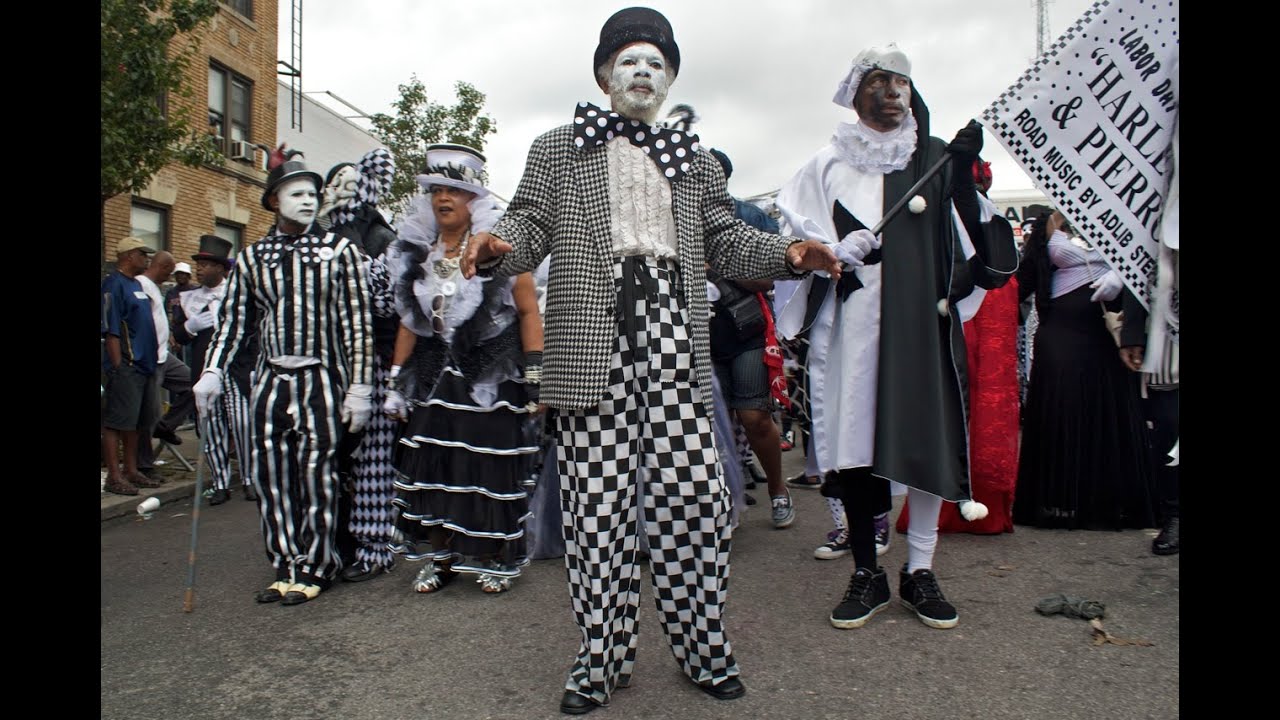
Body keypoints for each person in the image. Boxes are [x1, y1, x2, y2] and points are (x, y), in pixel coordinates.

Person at [460, 8, 840, 713]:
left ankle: (704, 649)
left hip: (673, 332)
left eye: (657, 64)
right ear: (604, 75)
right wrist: (497, 243)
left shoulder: (691, 159)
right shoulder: (558, 146)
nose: (643, 72)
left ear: (670, 81)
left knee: (695, 497)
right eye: (630, 61)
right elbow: (531, 218)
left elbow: (725, 240)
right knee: (595, 511)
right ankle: (599, 663)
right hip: (591, 336)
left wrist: (787, 255)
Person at [773, 43, 1017, 632]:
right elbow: (793, 242)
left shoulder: (934, 157)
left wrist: (960, 181)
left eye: (901, 83)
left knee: (923, 442)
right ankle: (867, 572)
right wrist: (828, 252)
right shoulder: (824, 165)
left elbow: (982, 251)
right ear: (854, 91)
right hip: (851, 330)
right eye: (878, 81)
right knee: (854, 449)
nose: (891, 92)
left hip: (919, 329)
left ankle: (921, 570)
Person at [193, 151, 374, 606]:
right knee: (271, 475)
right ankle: (285, 564)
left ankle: (318, 564)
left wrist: (359, 387)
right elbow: (233, 323)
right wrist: (213, 370)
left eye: (313, 193)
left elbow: (357, 323)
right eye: (297, 193)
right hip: (270, 381)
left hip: (321, 379)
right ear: (274, 201)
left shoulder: (340, 251)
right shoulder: (253, 258)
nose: (309, 201)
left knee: (318, 475)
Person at [378, 143, 544, 595]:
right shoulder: (417, 253)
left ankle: (498, 556)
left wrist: (534, 377)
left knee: (487, 467)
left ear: (474, 200)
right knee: (435, 465)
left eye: (455, 189)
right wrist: (396, 380)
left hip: (490, 369)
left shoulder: (501, 249)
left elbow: (529, 313)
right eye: (436, 190)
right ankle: (440, 555)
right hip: (433, 373)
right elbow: (411, 321)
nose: (443, 198)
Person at [896, 157, 1021, 535]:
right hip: (960, 310)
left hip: (978, 311)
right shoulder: (968, 219)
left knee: (969, 402)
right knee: (960, 400)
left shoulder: (980, 220)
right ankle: (954, 502)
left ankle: (964, 501)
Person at [1013, 210, 1155, 530]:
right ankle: (1057, 503)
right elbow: (1024, 279)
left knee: (1104, 410)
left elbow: (1147, 261)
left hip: (1105, 329)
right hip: (1059, 328)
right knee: (1061, 408)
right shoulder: (1050, 219)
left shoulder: (1122, 217)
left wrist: (1122, 274)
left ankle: (1107, 503)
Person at [321, 148, 401, 583]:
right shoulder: (321, 239)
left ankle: (376, 545)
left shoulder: (379, 241)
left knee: (373, 461)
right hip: (329, 369)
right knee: (332, 458)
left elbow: (390, 305)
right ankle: (331, 541)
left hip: (375, 367)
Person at [705, 147, 793, 529]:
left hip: (746, 333)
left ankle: (778, 491)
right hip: (695, 336)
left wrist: (717, 266)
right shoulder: (676, 218)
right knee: (711, 423)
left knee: (754, 417)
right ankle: (725, 499)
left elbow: (769, 278)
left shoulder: (749, 217)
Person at [173, 235, 258, 505]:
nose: (200, 269)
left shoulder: (237, 295)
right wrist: (190, 326)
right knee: (212, 428)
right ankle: (220, 483)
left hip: (235, 372)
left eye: (206, 265)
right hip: (203, 372)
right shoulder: (189, 299)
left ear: (221, 268)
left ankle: (248, 479)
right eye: (198, 264)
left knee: (243, 425)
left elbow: (251, 333)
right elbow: (179, 336)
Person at [101, 237, 164, 496]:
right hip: (126, 365)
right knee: (118, 421)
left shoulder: (137, 284)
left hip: (146, 365)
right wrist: (117, 366)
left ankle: (132, 469)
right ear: (128, 256)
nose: (146, 259)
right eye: (142, 254)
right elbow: (111, 329)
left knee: (139, 422)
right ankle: (114, 476)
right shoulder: (113, 284)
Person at [134, 250, 195, 474]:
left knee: (193, 384)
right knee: (148, 412)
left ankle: (165, 426)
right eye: (169, 273)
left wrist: (168, 333)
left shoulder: (156, 288)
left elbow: (158, 317)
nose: (170, 278)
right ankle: (144, 464)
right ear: (162, 267)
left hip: (164, 354)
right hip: (150, 357)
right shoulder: (141, 284)